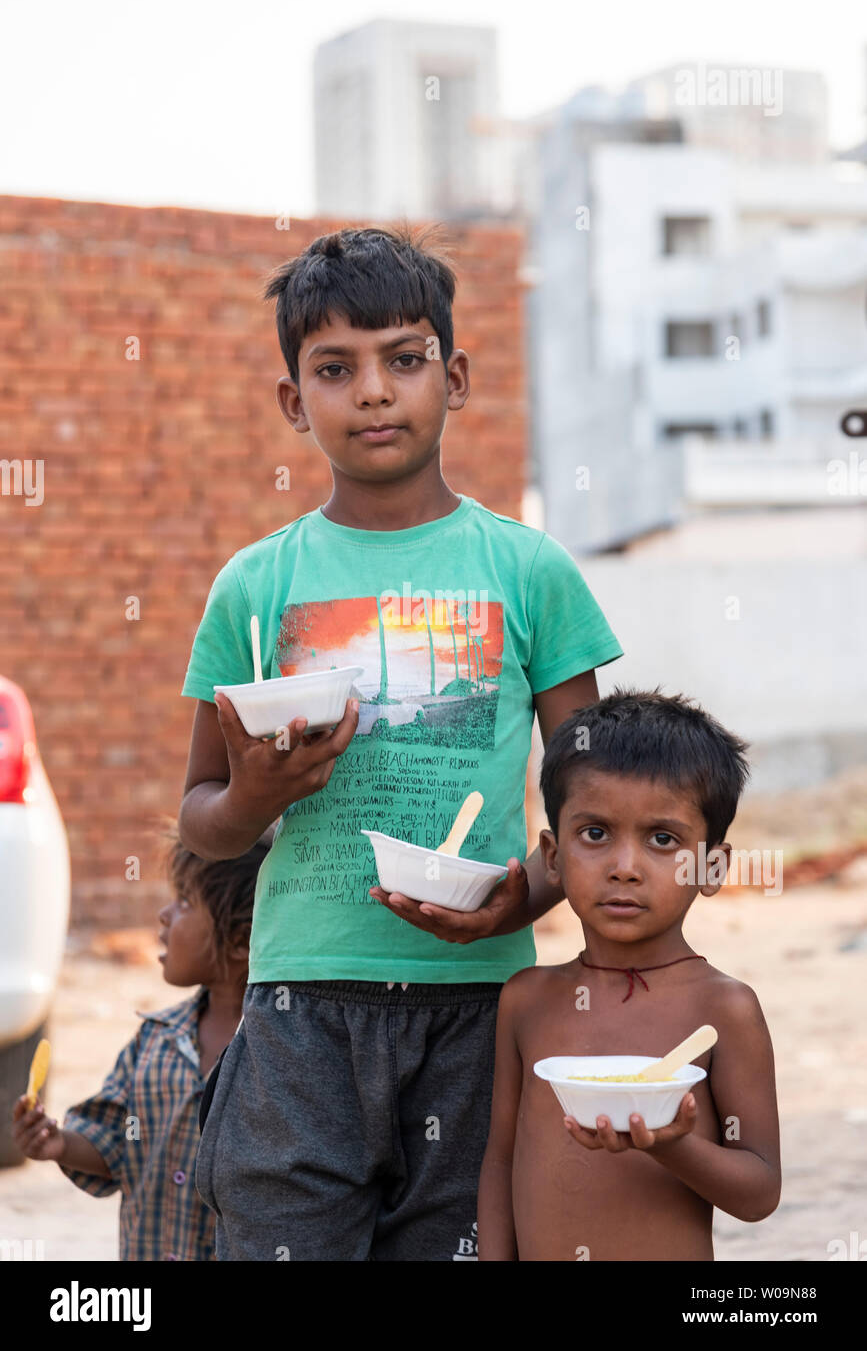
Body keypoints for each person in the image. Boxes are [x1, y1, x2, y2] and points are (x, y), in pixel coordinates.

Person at [177, 222, 624, 1261]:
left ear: (454, 377)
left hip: (479, 1007)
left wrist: (535, 891)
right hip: (301, 1012)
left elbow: (596, 806)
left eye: (404, 358)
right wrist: (252, 793)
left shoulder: (530, 572)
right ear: (296, 401)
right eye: (335, 368)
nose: (373, 390)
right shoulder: (253, 586)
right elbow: (203, 814)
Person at [478, 688, 782, 1261]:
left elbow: (759, 1190)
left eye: (662, 840)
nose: (625, 868)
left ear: (711, 868)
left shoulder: (724, 1009)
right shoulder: (526, 999)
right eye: (595, 834)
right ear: (553, 857)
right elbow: (499, 1161)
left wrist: (671, 1146)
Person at [11, 825, 271, 1261]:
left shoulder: (276, 1053)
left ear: (242, 940)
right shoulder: (153, 1040)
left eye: (185, 902)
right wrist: (59, 1144)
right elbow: (114, 1142)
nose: (164, 915)